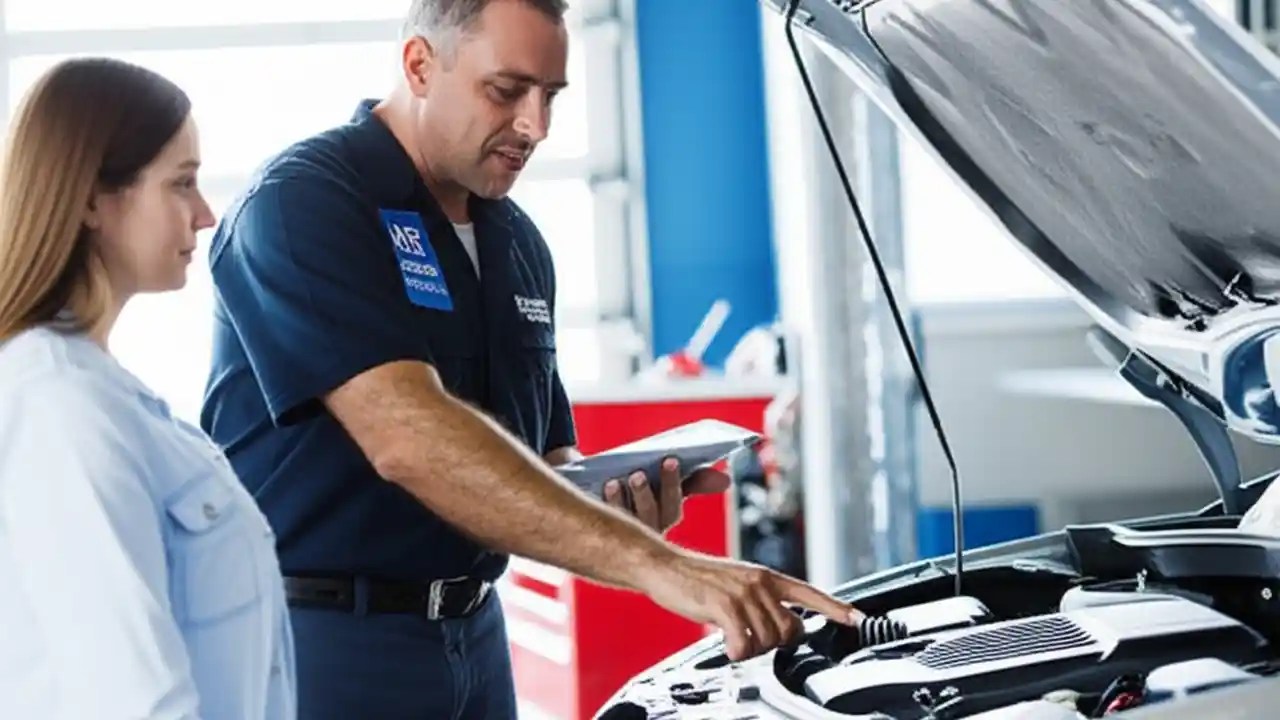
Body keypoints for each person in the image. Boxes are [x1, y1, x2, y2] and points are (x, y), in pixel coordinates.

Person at [200, 0, 861, 717]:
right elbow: (406, 437)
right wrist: (662, 568)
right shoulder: (306, 204)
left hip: (475, 636)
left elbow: (543, 465)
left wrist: (618, 507)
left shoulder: (516, 243)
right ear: (420, 65)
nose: (535, 127)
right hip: (322, 640)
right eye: (506, 90)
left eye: (550, 96)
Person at [0, 58, 296, 720]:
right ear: (90, 200)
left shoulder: (103, 393)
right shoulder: (60, 409)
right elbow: (134, 700)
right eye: (181, 184)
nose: (205, 214)